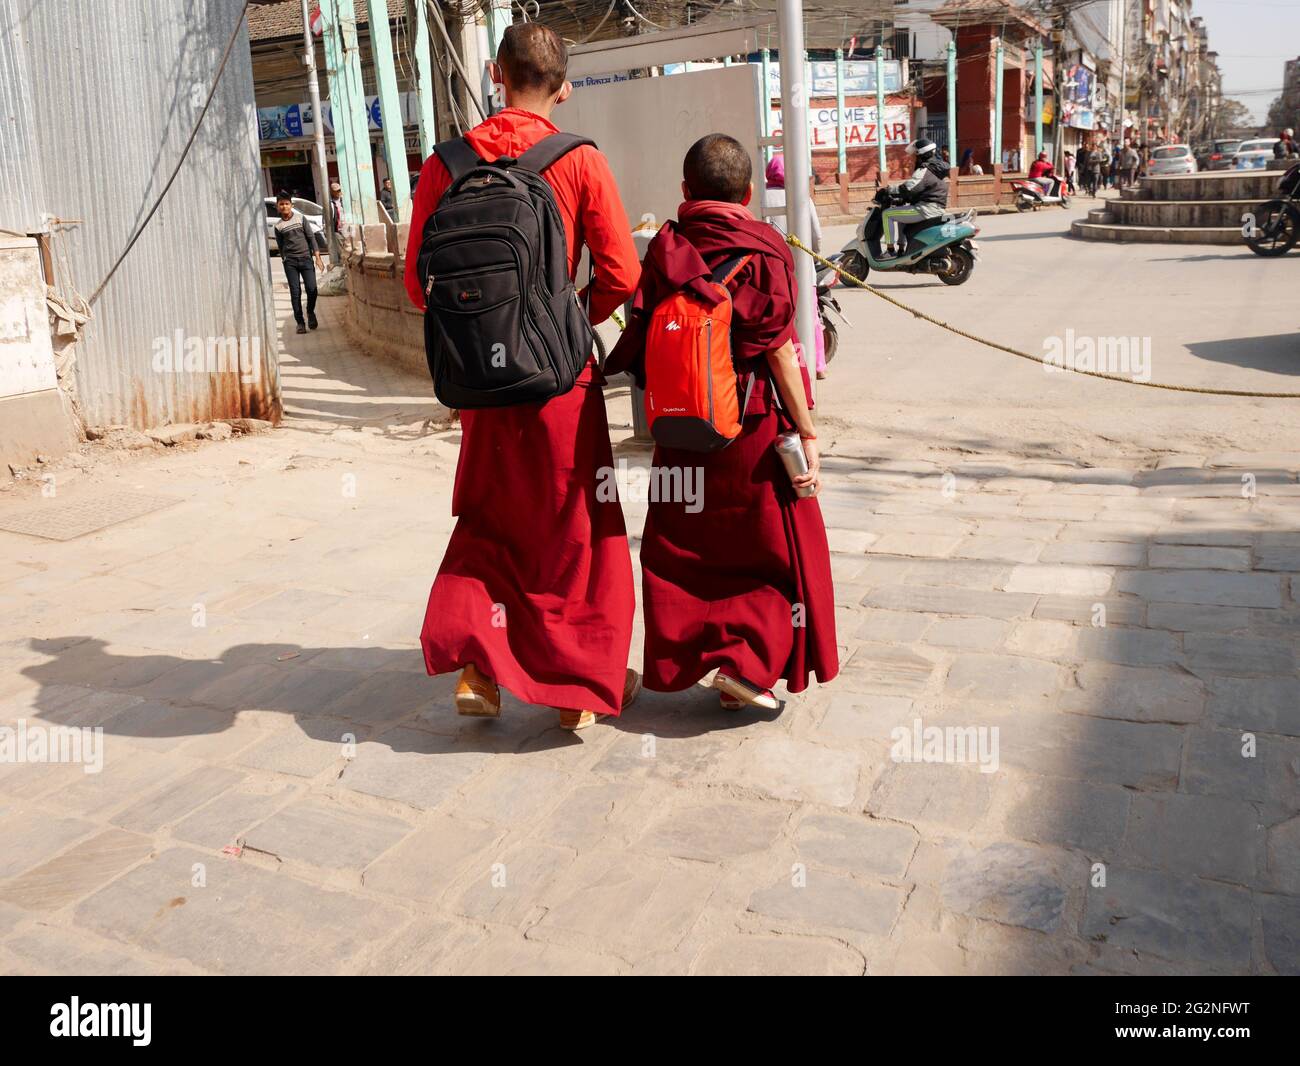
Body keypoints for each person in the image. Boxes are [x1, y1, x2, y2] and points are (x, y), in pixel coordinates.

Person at [401, 23, 641, 731]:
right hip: (559, 383)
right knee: (573, 526)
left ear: (497, 73)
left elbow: (421, 283)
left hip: (480, 379)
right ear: (562, 86)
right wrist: (567, 321)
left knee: (491, 516)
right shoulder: (580, 160)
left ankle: (480, 666)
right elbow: (622, 273)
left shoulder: (446, 162)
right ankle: (574, 688)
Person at [606, 133, 838, 712]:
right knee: (767, 548)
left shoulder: (665, 246)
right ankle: (747, 665)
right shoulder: (766, 247)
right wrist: (807, 431)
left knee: (683, 548)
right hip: (752, 425)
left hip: (684, 426)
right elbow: (780, 349)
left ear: (686, 192)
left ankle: (704, 655)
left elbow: (639, 329)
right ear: (751, 191)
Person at [762, 153, 826, 378]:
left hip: (774, 272)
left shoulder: (763, 198)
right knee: (811, 318)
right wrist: (815, 256)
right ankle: (817, 366)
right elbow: (816, 236)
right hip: (803, 269)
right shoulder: (802, 197)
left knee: (781, 321)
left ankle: (789, 368)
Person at [879, 137, 950, 258]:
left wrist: (887, 190)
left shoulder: (924, 169)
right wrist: (903, 198)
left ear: (921, 154)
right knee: (901, 213)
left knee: (887, 214)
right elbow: (922, 189)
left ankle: (890, 251)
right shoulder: (936, 169)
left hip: (926, 209)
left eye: (914, 155)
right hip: (935, 207)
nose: (913, 159)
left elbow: (909, 188)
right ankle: (901, 249)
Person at [272, 191, 326, 334]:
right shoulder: (278, 226)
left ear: (291, 205)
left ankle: (310, 312)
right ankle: (300, 322)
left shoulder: (301, 219)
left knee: (312, 289)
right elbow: (281, 246)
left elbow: (311, 239)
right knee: (295, 292)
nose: (284, 206)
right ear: (278, 206)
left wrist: (318, 258)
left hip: (306, 259)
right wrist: (285, 259)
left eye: (287, 204)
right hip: (290, 263)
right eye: (281, 204)